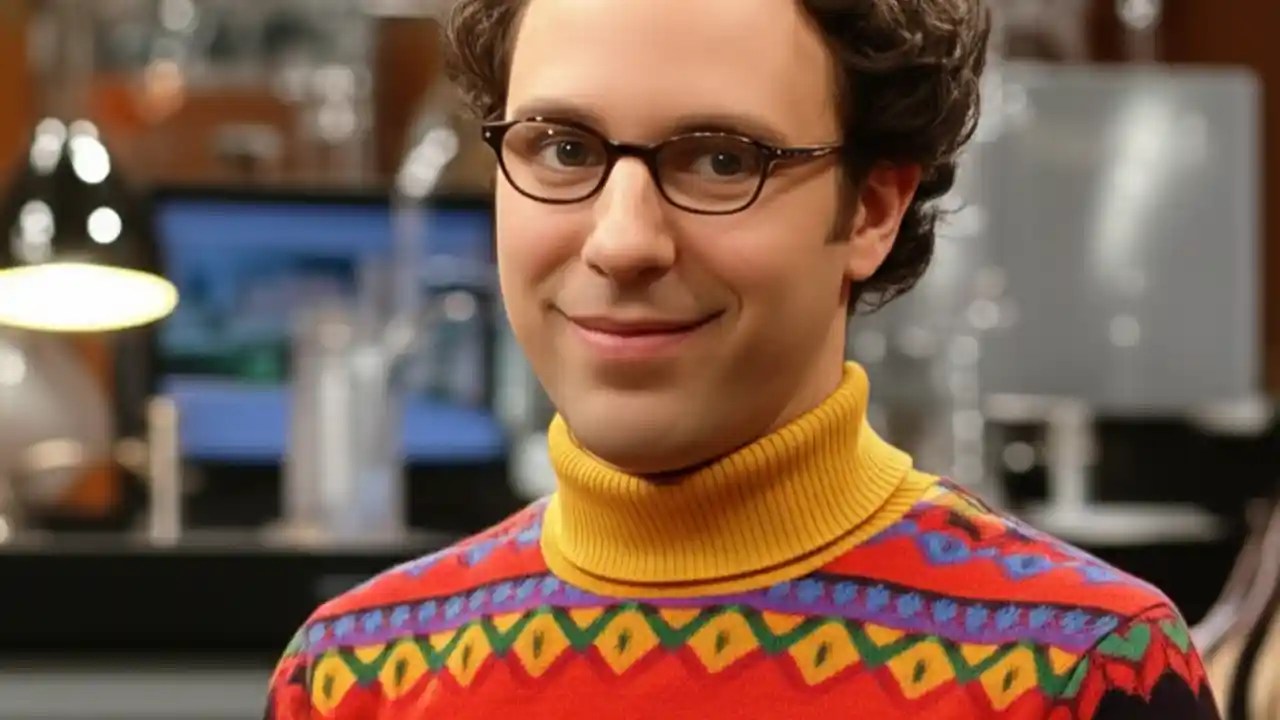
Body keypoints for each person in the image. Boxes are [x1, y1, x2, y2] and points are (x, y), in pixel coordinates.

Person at [265, 0, 1221, 717]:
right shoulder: (351, 677)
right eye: (561, 147)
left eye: (722, 159)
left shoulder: (1083, 672)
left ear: (872, 208)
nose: (622, 240)